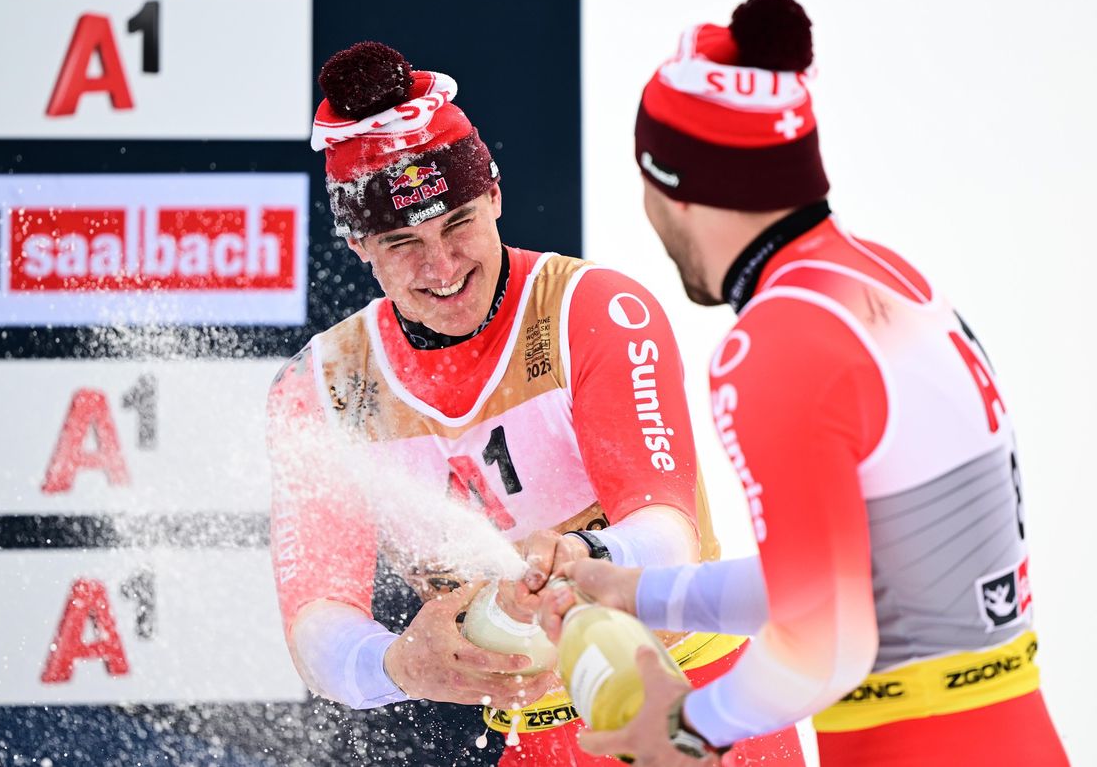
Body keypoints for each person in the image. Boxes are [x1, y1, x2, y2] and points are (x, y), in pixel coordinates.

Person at [538, 0, 1071, 767]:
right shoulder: (886, 283)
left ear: (671, 186)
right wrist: (636, 591)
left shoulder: (777, 342)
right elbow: (829, 580)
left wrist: (688, 725)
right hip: (1007, 734)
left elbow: (828, 643)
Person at [266, 41, 805, 766]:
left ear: (493, 195)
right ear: (361, 245)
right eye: (403, 243)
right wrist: (402, 665)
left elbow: (667, 533)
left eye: (457, 223)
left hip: (693, 692)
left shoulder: (594, 309)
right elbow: (315, 627)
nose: (442, 266)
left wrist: (582, 553)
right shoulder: (320, 389)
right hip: (536, 734)